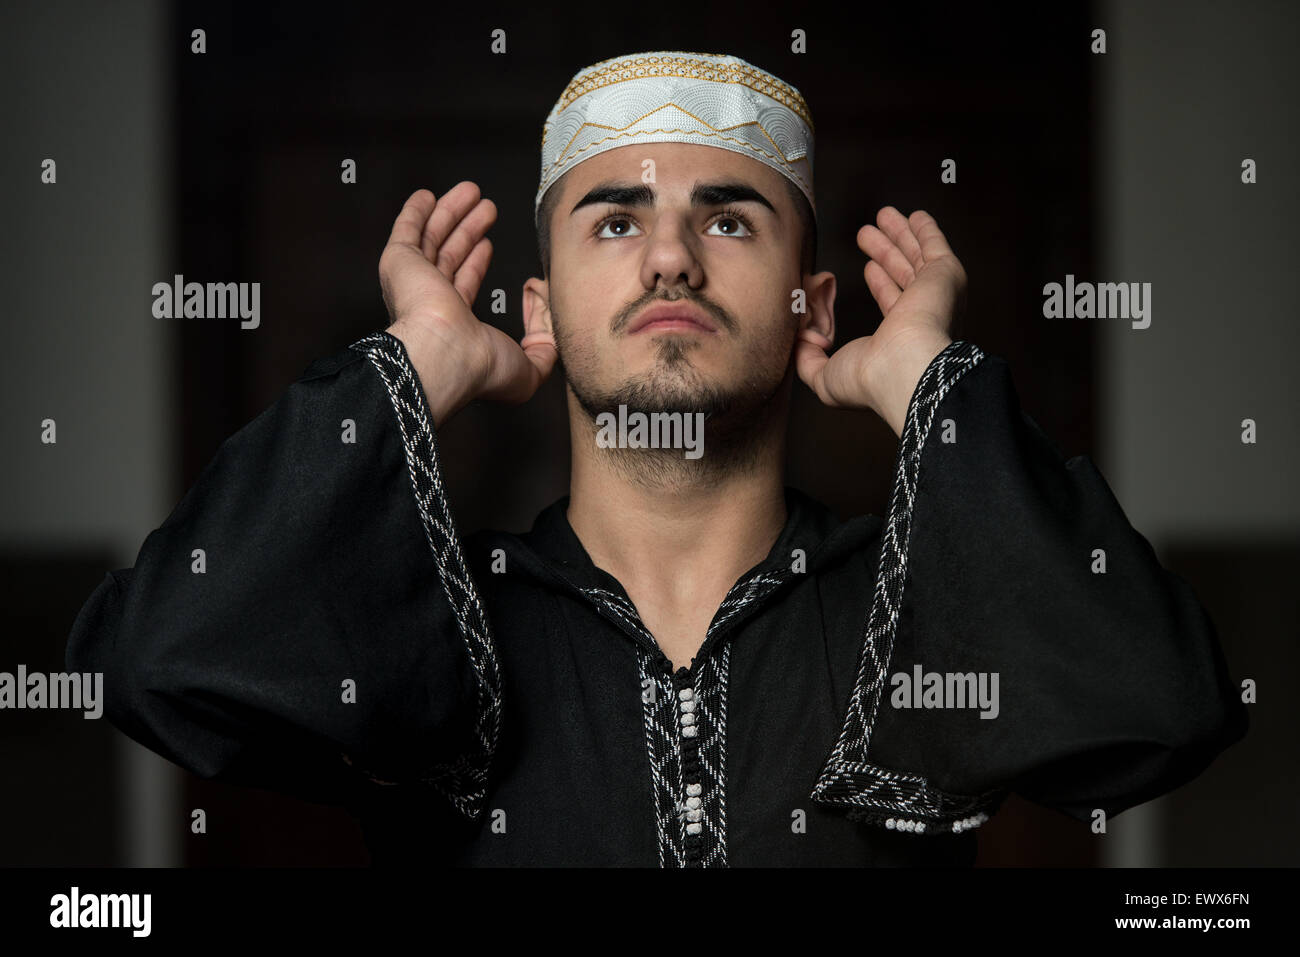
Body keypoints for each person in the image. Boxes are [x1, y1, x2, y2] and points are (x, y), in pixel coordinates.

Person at [66, 50, 1247, 867]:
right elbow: (154, 660)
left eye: (727, 219)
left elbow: (1169, 709)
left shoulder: (911, 610)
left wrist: (930, 387)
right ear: (539, 309)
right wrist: (415, 362)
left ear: (810, 305)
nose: (671, 258)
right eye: (616, 221)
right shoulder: (436, 617)